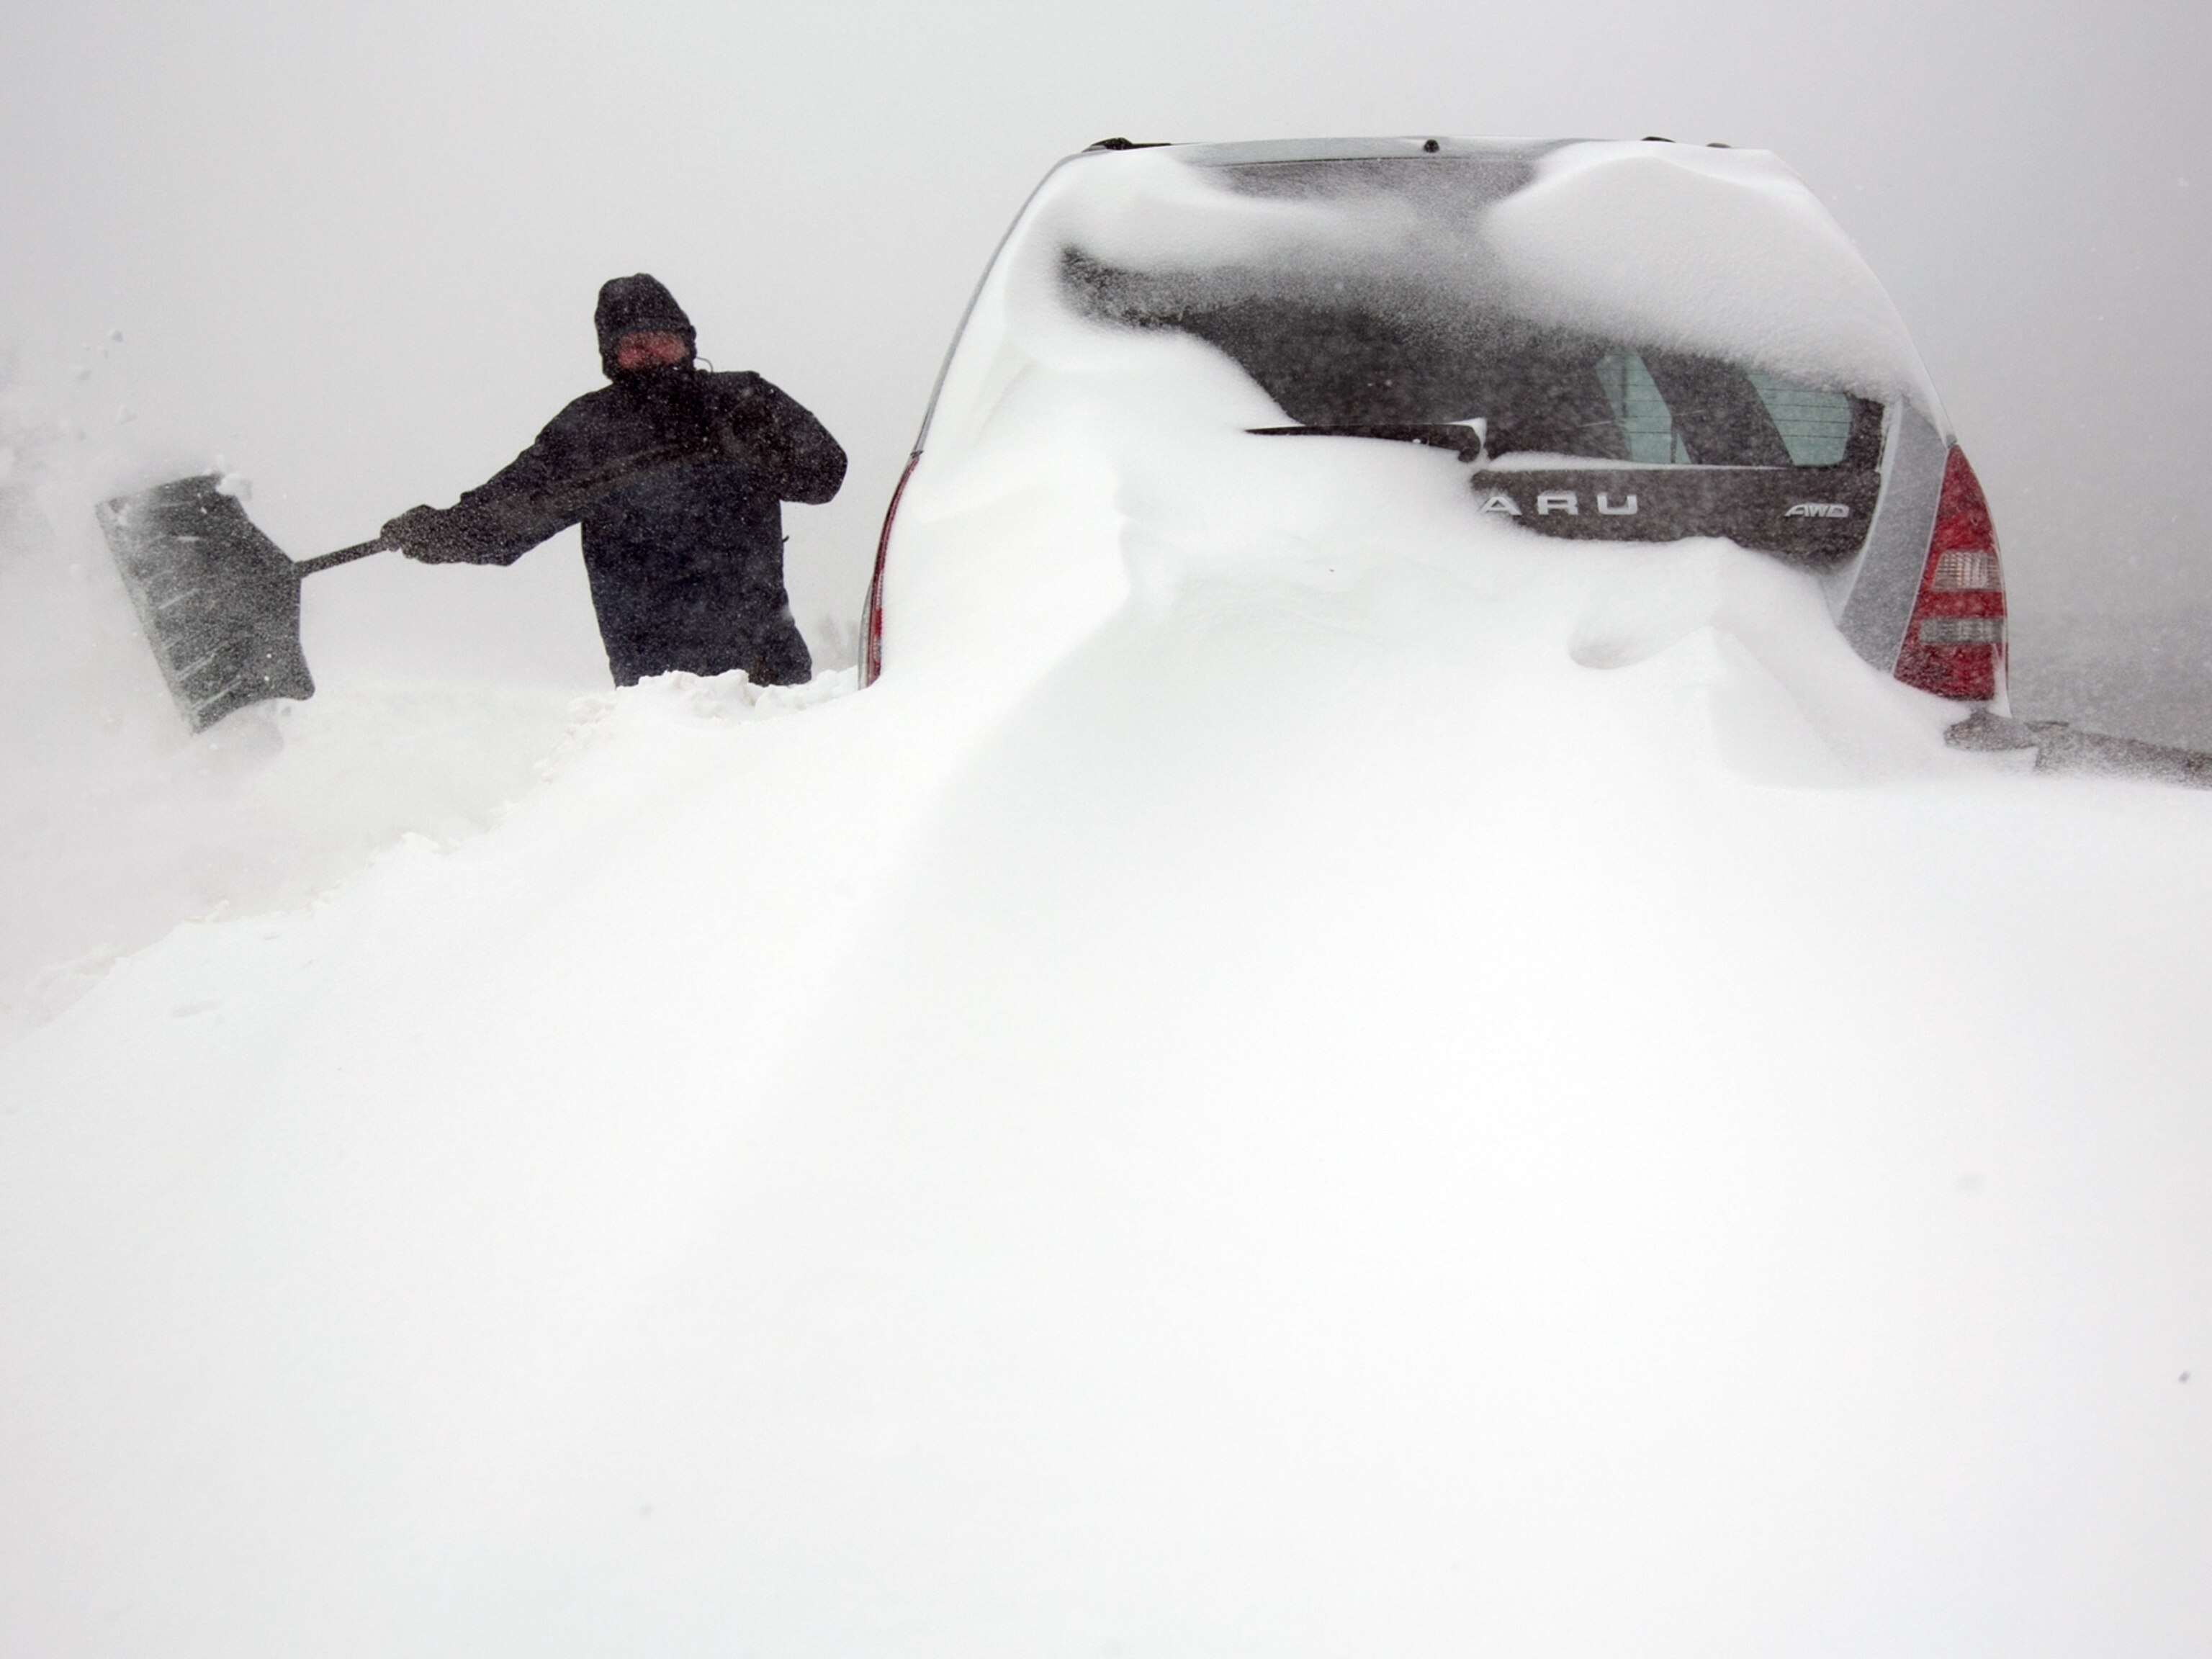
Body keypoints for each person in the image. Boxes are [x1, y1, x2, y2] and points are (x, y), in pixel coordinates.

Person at [380, 274, 845, 686]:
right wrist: (437, 531)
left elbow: (825, 474)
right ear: (613, 356)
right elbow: (509, 516)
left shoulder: (741, 398)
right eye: (634, 343)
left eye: (661, 338)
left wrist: (761, 450)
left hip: (766, 656)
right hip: (656, 679)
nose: (651, 352)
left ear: (686, 340)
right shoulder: (587, 430)